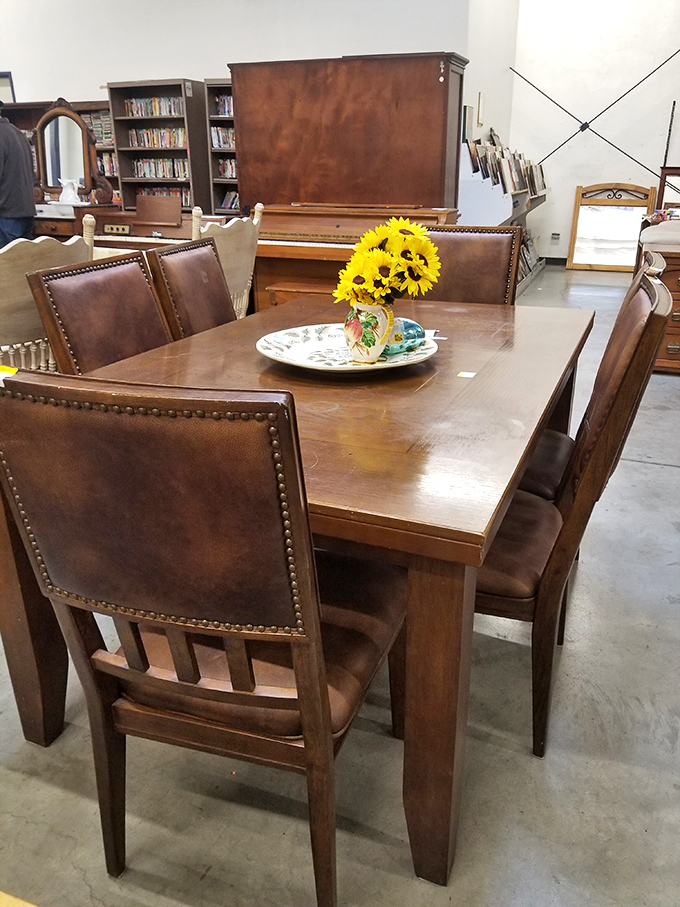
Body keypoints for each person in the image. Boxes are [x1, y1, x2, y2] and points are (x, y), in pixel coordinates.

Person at [0, 100, 36, 248]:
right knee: (23, 268)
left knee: (5, 269)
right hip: (25, 214)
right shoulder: (17, 132)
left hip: (5, 218)